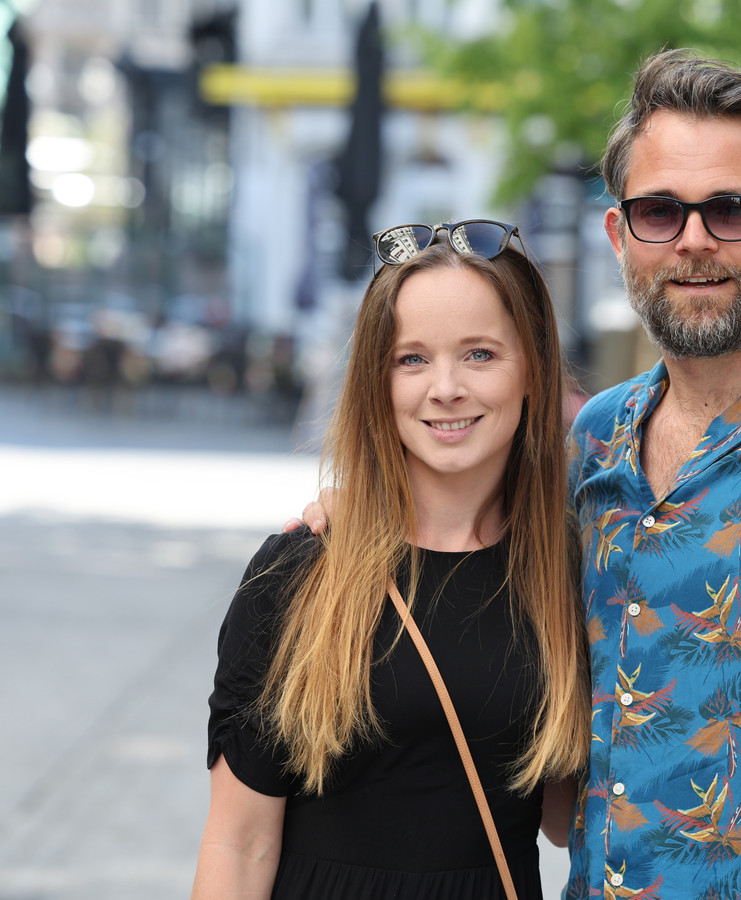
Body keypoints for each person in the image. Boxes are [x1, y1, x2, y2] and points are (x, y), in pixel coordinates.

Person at [299, 51, 741, 900]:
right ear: (620, 234)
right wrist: (367, 514)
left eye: (732, 209)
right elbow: (483, 553)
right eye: (661, 211)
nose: (696, 240)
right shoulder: (595, 437)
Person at [192, 220, 590, 900]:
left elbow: (565, 819)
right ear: (376, 381)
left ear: (534, 368)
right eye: (412, 359)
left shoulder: (571, 572)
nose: (445, 388)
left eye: (481, 355)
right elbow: (240, 842)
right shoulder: (301, 573)